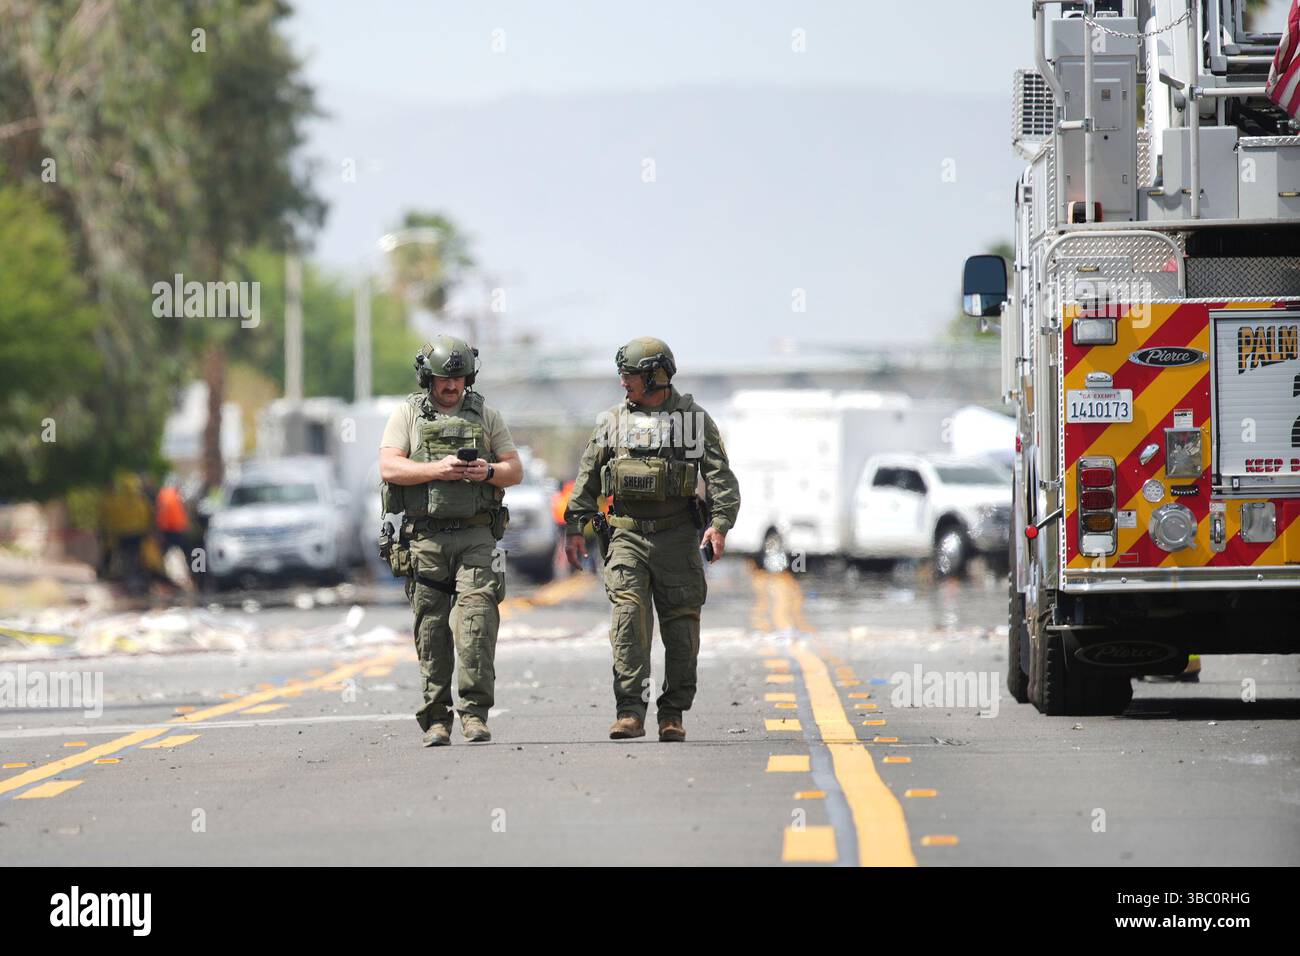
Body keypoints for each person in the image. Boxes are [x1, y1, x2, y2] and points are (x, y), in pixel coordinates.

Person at [564, 337, 740, 742]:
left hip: (677, 538)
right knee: (628, 622)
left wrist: (720, 524)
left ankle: (672, 712)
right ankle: (629, 711)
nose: (623, 382)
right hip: (626, 536)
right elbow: (588, 475)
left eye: (629, 375)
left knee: (681, 629)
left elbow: (720, 477)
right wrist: (575, 527)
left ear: (654, 376)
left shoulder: (692, 421)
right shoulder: (612, 422)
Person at [379, 336, 523, 746]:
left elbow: (515, 470)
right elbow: (389, 466)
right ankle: (437, 719)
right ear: (428, 377)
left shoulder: (487, 415)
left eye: (459, 379)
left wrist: (488, 472)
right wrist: (435, 469)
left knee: (477, 622)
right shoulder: (407, 413)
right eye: (444, 379)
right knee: (432, 630)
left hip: (478, 535)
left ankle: (474, 714)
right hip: (425, 537)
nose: (451, 387)